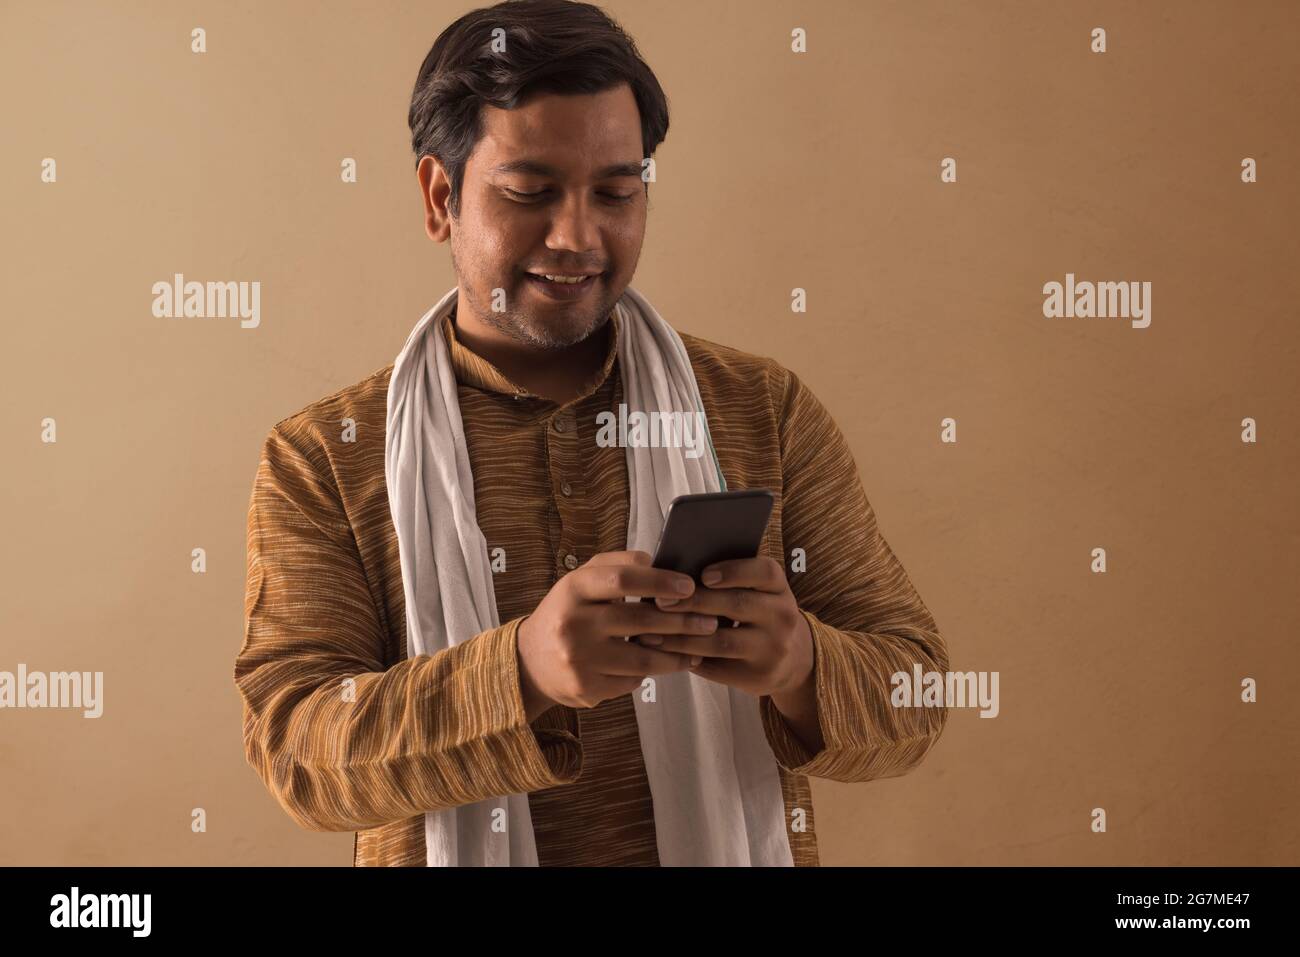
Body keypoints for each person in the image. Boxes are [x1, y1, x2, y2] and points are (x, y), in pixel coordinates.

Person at [235, 0, 948, 867]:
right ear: (439, 196)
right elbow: (297, 752)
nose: (576, 237)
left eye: (616, 192)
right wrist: (522, 672)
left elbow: (916, 694)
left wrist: (801, 665)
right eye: (529, 193)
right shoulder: (323, 456)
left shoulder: (763, 409)